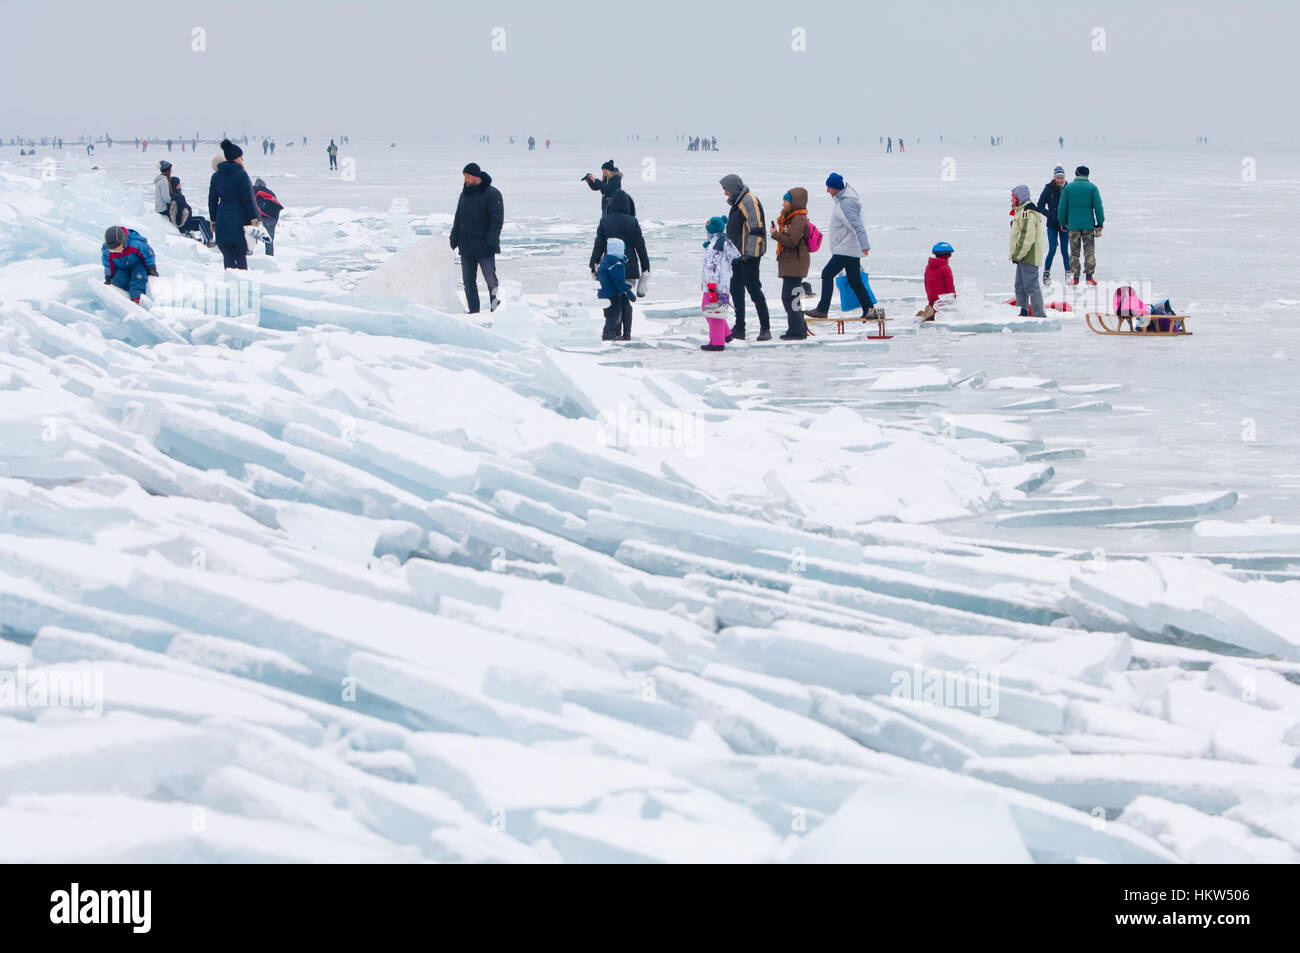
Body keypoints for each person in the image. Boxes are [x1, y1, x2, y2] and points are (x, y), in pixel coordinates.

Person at [805, 173, 874, 321]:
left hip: (846, 249)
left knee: (827, 273)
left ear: (836, 188)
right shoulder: (844, 201)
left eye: (829, 187)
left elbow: (857, 226)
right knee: (854, 280)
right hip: (850, 249)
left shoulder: (846, 204)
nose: (827, 190)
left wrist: (865, 245)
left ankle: (822, 310)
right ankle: (869, 309)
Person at [718, 173, 770, 341]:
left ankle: (765, 328)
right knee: (736, 292)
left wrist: (750, 254)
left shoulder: (748, 201)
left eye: (726, 189)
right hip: (736, 258)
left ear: (733, 188)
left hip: (749, 257)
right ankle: (739, 327)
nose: (725, 193)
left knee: (754, 291)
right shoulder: (737, 203)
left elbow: (757, 230)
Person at [450, 161, 504, 314]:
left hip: (485, 247)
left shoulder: (492, 194)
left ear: (474, 177)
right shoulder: (464, 194)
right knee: (468, 283)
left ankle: (496, 309)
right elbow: (458, 218)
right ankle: (474, 313)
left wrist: (491, 242)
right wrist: (453, 238)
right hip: (466, 247)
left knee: (491, 281)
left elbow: (497, 221)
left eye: (467, 177)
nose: (465, 180)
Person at [208, 139, 261, 270]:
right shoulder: (241, 175)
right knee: (241, 256)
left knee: (228, 256)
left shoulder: (216, 176)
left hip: (222, 219)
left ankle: (230, 282)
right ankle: (242, 283)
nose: (243, 158)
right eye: (241, 156)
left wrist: (213, 220)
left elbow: (212, 200)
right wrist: (254, 217)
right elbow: (248, 199)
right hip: (240, 220)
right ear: (237, 158)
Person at [589, 190, 649, 302]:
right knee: (625, 297)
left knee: (613, 299)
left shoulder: (605, 221)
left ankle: (615, 318)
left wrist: (593, 264)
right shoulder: (633, 222)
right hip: (629, 268)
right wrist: (646, 268)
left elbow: (599, 246)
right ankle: (625, 317)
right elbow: (641, 247)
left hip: (610, 267)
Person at [769, 187, 811, 340]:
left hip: (796, 264)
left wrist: (775, 235)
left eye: (786, 201)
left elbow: (792, 242)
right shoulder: (791, 218)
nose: (783, 203)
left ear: (794, 202)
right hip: (792, 264)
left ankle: (797, 331)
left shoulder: (798, 219)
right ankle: (798, 328)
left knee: (789, 298)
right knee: (791, 297)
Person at [1057, 165, 1104, 286]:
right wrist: (1099, 223)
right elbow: (1098, 207)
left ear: (1076, 174)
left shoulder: (1068, 188)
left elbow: (1062, 207)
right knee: (1089, 251)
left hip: (1073, 225)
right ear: (1087, 175)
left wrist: (1062, 222)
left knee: (1074, 252)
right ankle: (1089, 277)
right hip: (1088, 225)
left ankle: (1075, 278)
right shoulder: (1092, 188)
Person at [700, 216, 740, 351]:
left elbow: (713, 266)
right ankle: (726, 334)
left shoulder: (716, 245)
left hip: (715, 285)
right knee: (713, 309)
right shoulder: (723, 242)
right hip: (723, 284)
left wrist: (711, 285)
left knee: (712, 311)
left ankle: (717, 342)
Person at [1009, 184, 1046, 317]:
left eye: (1013, 197)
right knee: (1019, 286)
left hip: (1028, 255)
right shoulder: (1021, 212)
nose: (1011, 200)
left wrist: (1018, 254)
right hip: (1022, 256)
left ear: (1020, 198)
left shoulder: (1027, 213)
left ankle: (1039, 314)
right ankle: (1023, 311)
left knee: (1031, 286)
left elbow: (1027, 237)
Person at [101, 225, 157, 304]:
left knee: (138, 279)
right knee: (118, 281)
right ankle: (124, 298)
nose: (115, 250)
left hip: (137, 265)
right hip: (121, 267)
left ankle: (137, 299)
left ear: (123, 241)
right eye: (112, 248)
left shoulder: (136, 244)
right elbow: (108, 265)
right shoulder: (108, 252)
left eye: (117, 247)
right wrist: (108, 277)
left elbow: (148, 255)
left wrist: (151, 268)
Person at [595, 236, 635, 341]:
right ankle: (608, 337)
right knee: (613, 316)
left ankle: (614, 335)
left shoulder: (607, 260)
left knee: (611, 316)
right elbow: (618, 280)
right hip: (611, 294)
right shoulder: (615, 263)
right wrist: (628, 292)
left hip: (604, 294)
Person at [1037, 166, 1070, 286]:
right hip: (1052, 224)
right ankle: (1046, 273)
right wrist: (1049, 215)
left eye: (1061, 178)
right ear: (1054, 178)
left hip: (1064, 225)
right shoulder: (1049, 189)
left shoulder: (1068, 188)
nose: (1060, 180)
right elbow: (1040, 205)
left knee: (1064, 250)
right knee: (1052, 249)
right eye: (1058, 178)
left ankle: (1068, 273)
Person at [168, 176, 215, 245]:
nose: (180, 185)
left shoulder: (176, 195)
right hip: (184, 224)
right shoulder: (178, 197)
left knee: (205, 222)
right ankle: (209, 240)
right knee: (201, 220)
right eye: (179, 184)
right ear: (176, 185)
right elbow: (181, 212)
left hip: (186, 221)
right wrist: (187, 227)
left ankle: (208, 240)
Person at [919, 241, 955, 320]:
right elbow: (950, 288)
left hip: (932, 302)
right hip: (943, 303)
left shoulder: (928, 267)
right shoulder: (945, 268)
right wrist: (953, 300)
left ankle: (928, 313)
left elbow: (927, 285)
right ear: (949, 255)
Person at [253, 177, 284, 256]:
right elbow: (276, 209)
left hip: (258, 219)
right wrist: (274, 222)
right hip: (271, 220)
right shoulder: (271, 194)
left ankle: (249, 257)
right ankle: (269, 258)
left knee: (252, 239)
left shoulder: (253, 191)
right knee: (269, 241)